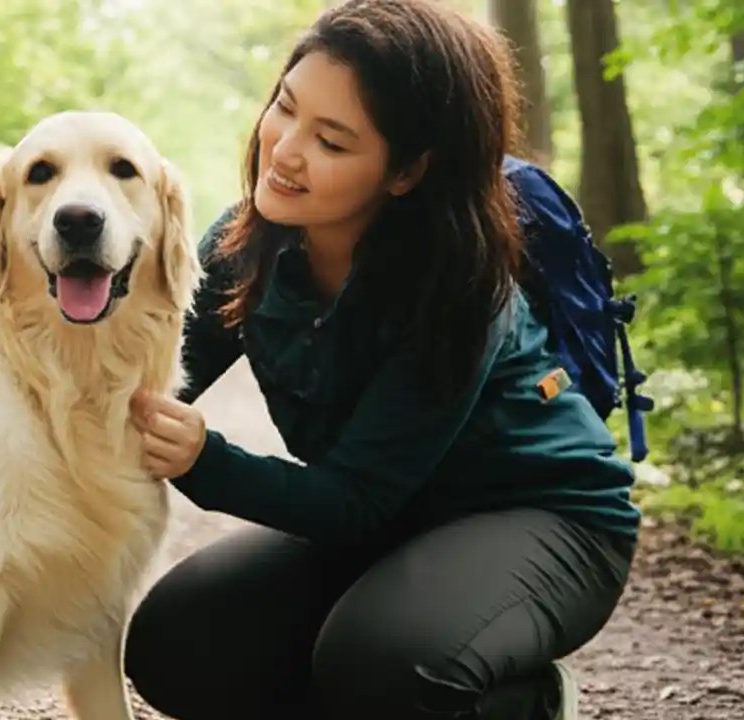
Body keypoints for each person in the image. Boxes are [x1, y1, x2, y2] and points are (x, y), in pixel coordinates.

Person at [122, 1, 640, 718]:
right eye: (285, 107)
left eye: (331, 142)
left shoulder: (454, 287)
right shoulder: (245, 247)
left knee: (379, 667)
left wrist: (204, 461)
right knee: (175, 647)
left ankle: (523, 701)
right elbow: (140, 371)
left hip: (544, 519)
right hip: (393, 519)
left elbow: (353, 503)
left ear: (406, 171)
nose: (285, 150)